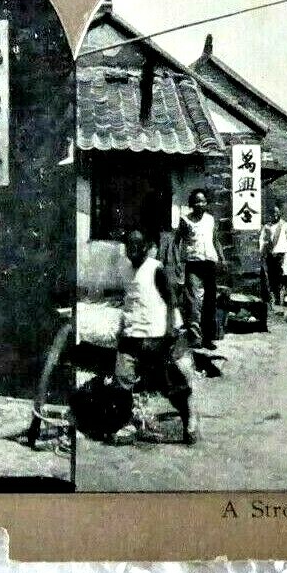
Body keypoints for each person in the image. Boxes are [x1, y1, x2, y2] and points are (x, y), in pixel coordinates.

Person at [117, 230, 195, 445]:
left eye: (137, 247)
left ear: (145, 247)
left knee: (169, 385)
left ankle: (189, 417)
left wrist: (170, 329)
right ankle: (128, 422)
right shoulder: (124, 268)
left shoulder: (156, 268)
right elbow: (129, 300)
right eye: (128, 247)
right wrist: (121, 327)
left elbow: (171, 300)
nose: (132, 252)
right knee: (123, 378)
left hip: (156, 335)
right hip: (131, 334)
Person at [175, 188, 224, 351]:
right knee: (194, 302)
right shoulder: (185, 220)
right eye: (197, 201)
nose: (200, 204)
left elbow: (215, 240)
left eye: (203, 201)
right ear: (191, 204)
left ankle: (208, 338)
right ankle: (195, 338)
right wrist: (177, 263)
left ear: (206, 203)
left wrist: (222, 258)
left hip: (209, 263)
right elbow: (176, 242)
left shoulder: (210, 220)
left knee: (210, 301)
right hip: (193, 264)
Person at [259, 202, 287, 313]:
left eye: (276, 212)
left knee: (285, 276)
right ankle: (276, 297)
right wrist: (261, 251)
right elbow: (261, 240)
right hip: (271, 255)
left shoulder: (284, 225)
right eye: (273, 213)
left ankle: (286, 296)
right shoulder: (266, 227)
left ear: (279, 213)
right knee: (273, 278)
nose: (275, 214)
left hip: (282, 254)